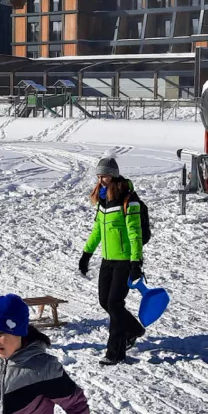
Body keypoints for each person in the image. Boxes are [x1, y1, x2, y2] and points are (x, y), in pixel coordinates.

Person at [78, 156, 145, 365]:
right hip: (107, 260)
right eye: (98, 176)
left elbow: (135, 233)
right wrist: (86, 254)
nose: (101, 179)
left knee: (115, 305)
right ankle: (134, 329)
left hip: (124, 260)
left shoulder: (128, 199)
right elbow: (98, 229)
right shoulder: (103, 199)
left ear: (113, 175)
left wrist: (136, 263)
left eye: (104, 175)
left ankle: (114, 353)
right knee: (104, 301)